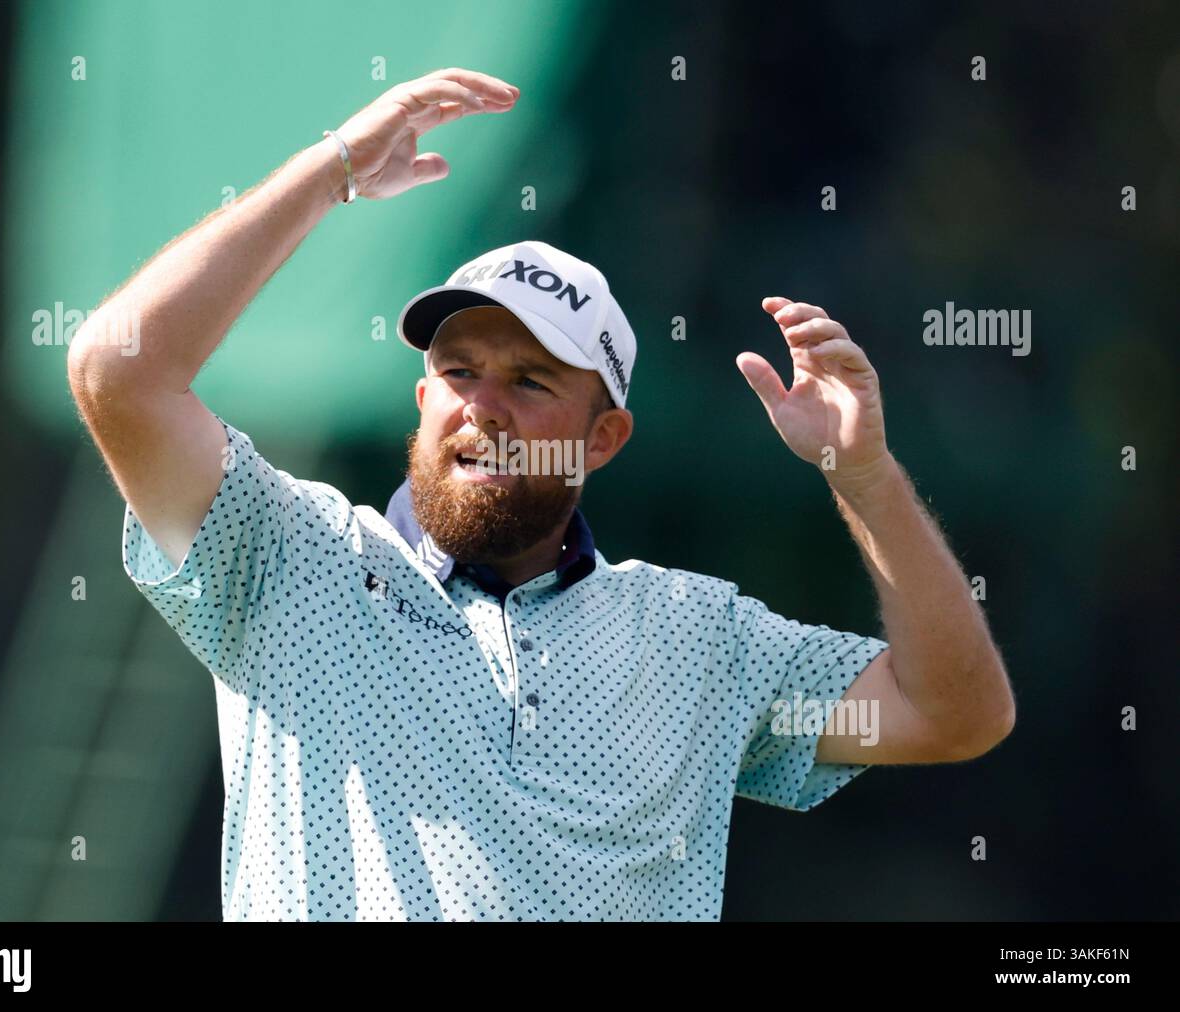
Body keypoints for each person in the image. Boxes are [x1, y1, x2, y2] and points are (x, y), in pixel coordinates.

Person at [66, 67, 1015, 921]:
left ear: (603, 440)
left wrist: (865, 480)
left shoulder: (698, 647)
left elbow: (950, 714)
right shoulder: (286, 560)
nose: (483, 407)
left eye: (529, 382)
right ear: (422, 396)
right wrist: (336, 167)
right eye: (459, 370)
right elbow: (119, 371)